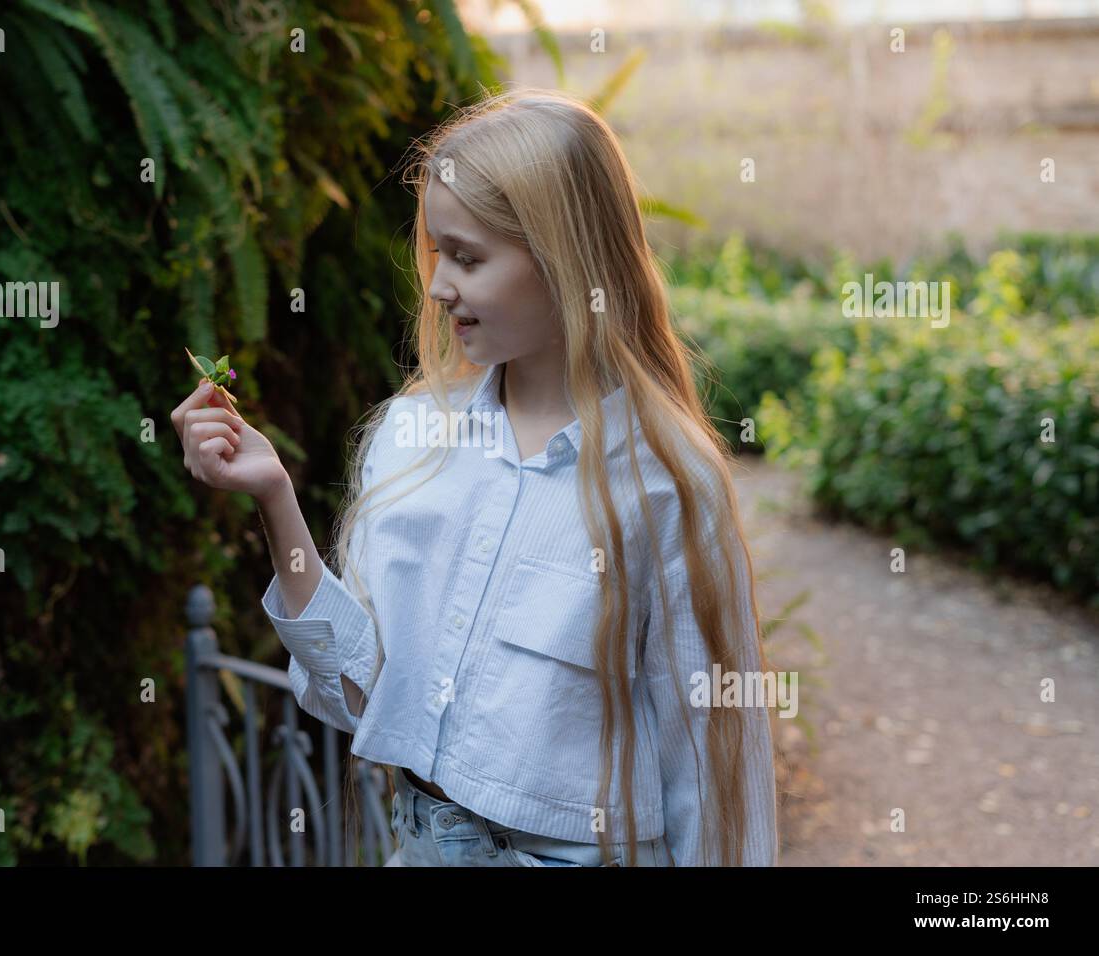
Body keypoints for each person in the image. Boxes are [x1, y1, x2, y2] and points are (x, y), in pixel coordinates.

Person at [171, 88, 778, 867]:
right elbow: (352, 694)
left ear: (566, 258)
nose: (436, 288)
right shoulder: (411, 438)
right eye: (435, 253)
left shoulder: (670, 482)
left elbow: (716, 768)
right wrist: (273, 496)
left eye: (467, 258)